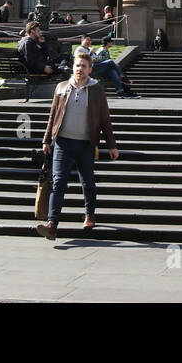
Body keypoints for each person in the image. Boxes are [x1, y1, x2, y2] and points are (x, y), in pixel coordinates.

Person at [37, 52, 120, 240]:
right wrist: (46, 140)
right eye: (77, 66)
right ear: (72, 68)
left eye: (83, 66)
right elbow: (53, 116)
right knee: (58, 182)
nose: (79, 69)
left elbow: (105, 120)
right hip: (62, 143)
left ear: (90, 69)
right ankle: (52, 224)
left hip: (86, 144)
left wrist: (112, 146)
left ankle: (90, 214)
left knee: (88, 181)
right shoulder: (61, 87)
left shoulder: (97, 90)